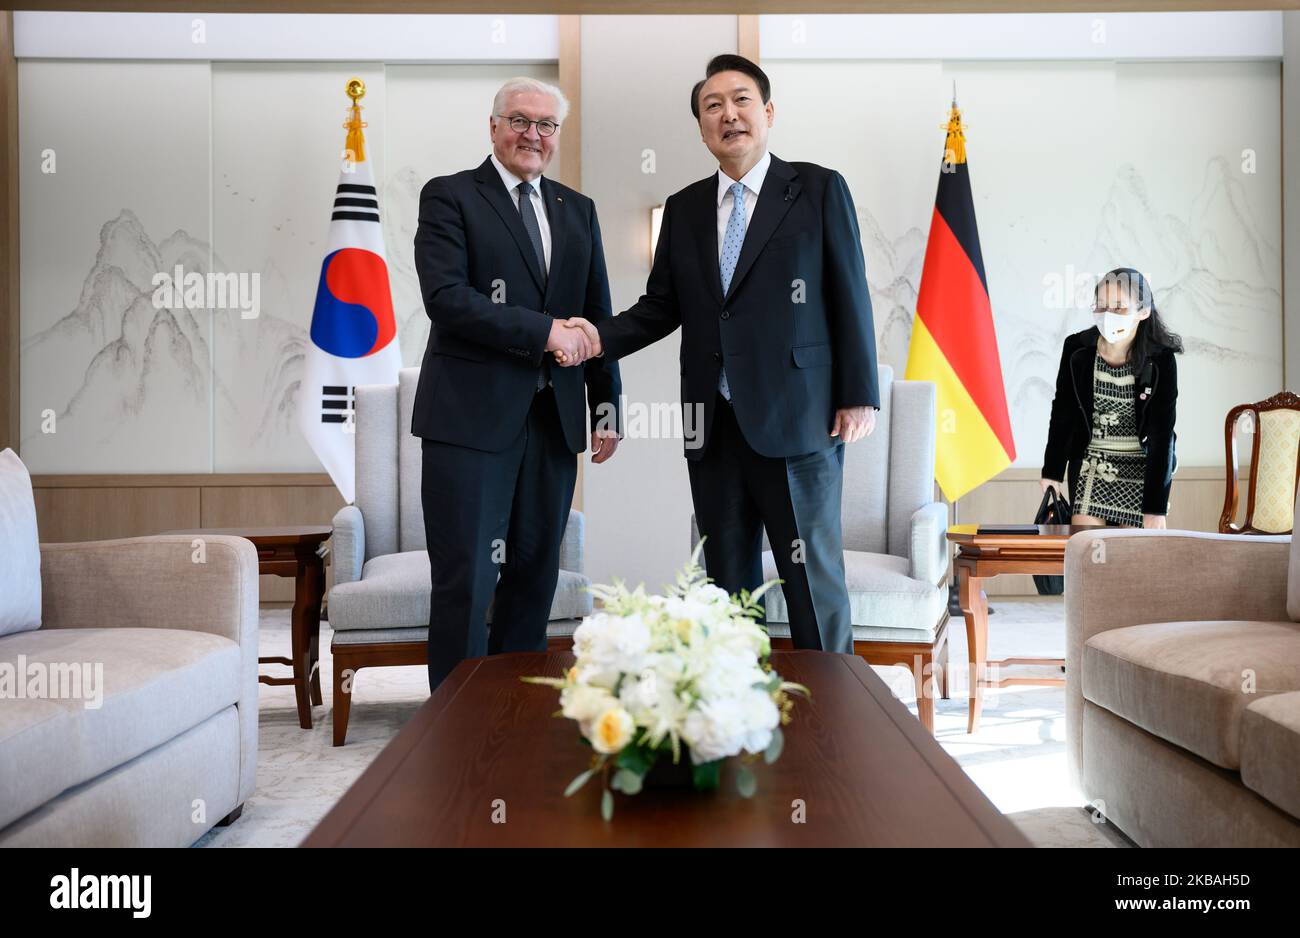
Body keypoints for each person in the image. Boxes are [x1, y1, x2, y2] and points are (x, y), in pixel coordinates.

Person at [560, 54, 879, 654]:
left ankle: (836, 718)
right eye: (713, 106)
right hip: (712, 424)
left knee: (810, 577)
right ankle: (736, 712)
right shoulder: (682, 209)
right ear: (701, 126)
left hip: (799, 418)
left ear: (768, 112)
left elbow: (850, 292)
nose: (728, 114)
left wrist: (859, 394)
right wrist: (596, 338)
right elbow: (660, 307)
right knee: (725, 585)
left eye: (740, 100)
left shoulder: (816, 188)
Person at [411, 77, 621, 691]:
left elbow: (596, 315)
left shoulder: (576, 210)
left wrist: (605, 403)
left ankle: (513, 717)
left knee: (534, 577)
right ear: (495, 126)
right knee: (468, 579)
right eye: (521, 121)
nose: (534, 135)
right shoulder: (449, 196)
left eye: (547, 125)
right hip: (470, 425)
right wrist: (544, 333)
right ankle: (454, 725)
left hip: (554, 424)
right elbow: (447, 299)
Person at [1041, 267, 1182, 528]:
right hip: (1091, 464)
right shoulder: (1077, 349)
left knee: (1129, 559)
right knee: (1087, 550)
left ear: (1143, 311)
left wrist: (1156, 508)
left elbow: (1163, 434)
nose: (1108, 315)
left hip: (1142, 467)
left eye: (1118, 307)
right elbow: (1063, 412)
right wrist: (1052, 471)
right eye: (1102, 306)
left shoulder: (1161, 360)